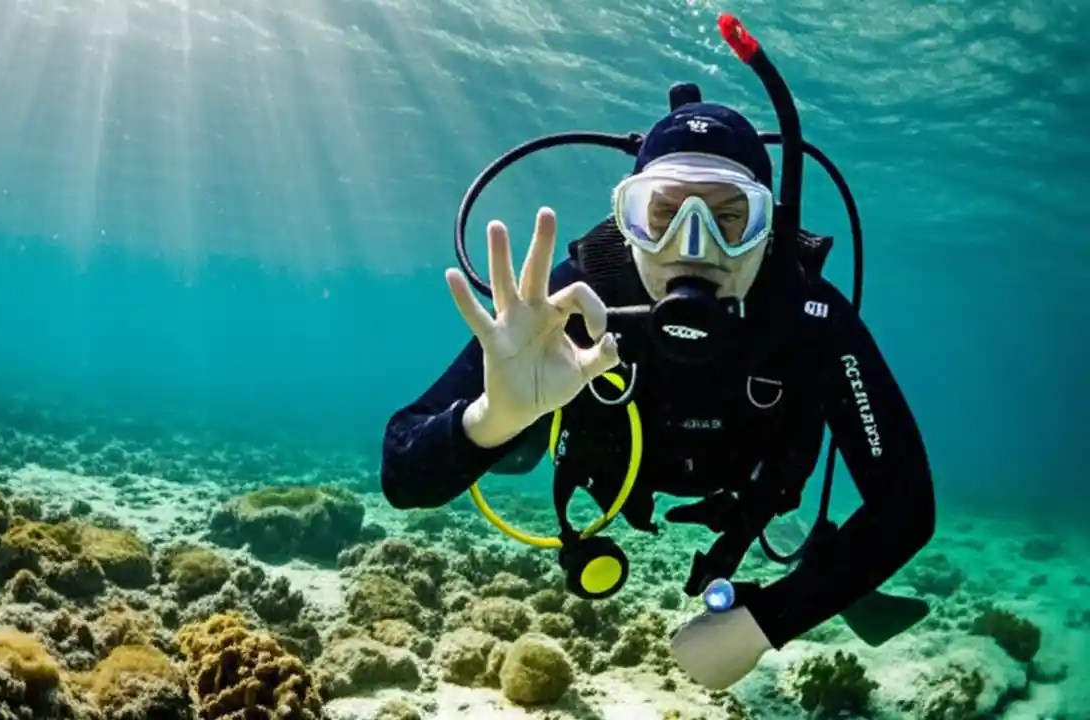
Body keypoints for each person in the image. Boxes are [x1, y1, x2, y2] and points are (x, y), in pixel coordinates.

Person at [381, 15, 935, 691]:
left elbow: (906, 504)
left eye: (731, 219)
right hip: (607, 477)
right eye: (662, 214)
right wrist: (492, 417)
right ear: (626, 223)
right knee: (513, 434)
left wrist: (766, 621)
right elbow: (402, 473)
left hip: (749, 494)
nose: (693, 248)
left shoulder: (808, 318)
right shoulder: (571, 305)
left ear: (771, 231)